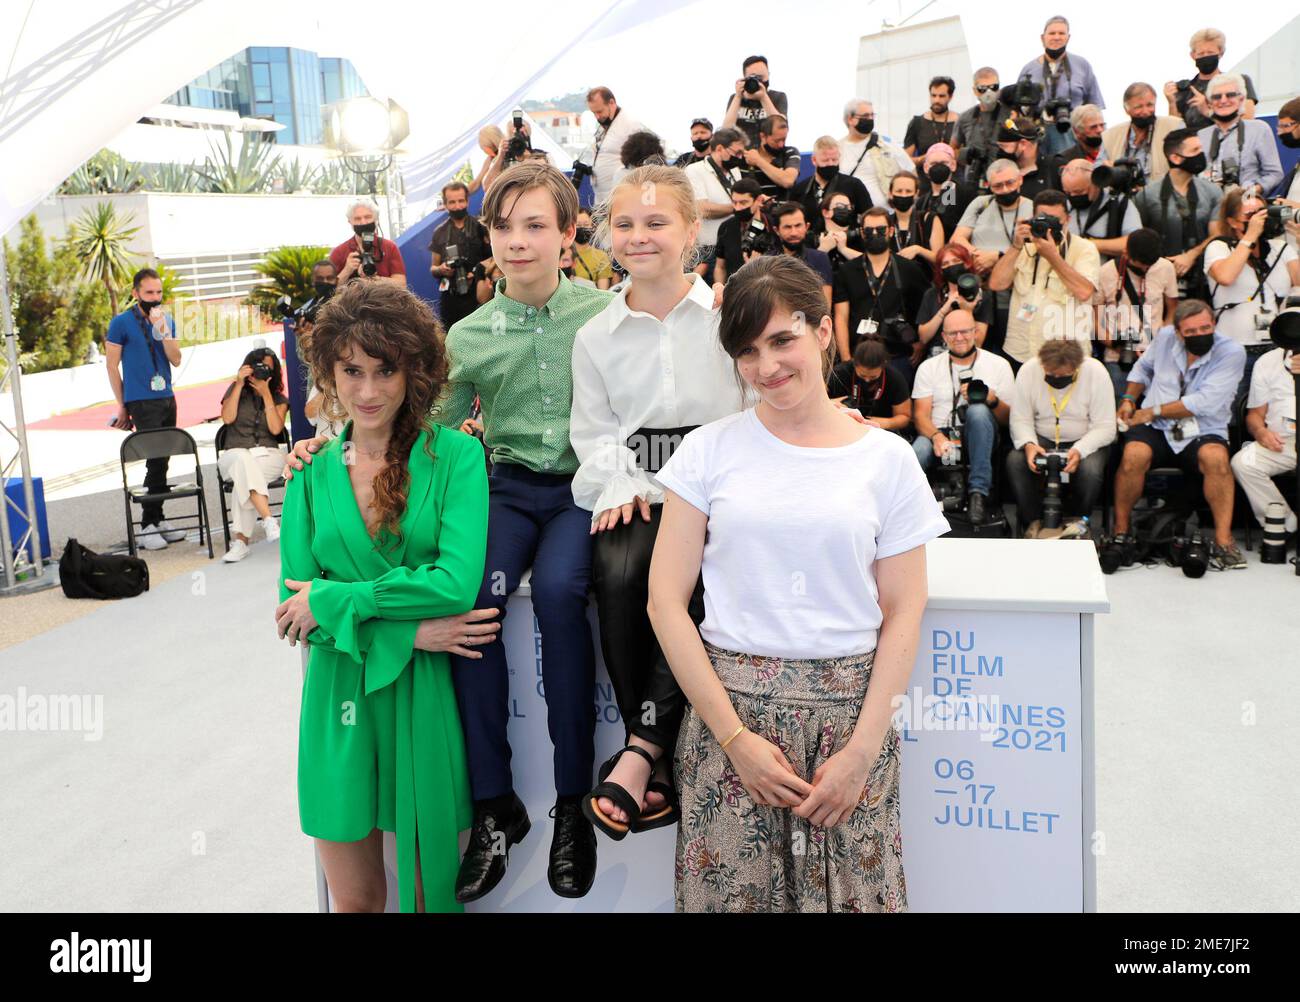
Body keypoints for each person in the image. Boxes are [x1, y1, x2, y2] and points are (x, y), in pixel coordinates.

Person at [648, 254, 948, 912]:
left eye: (782, 339)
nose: (767, 367)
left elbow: (904, 609)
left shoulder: (888, 460)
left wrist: (861, 754)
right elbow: (665, 603)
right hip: (730, 727)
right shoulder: (706, 451)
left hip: (850, 733)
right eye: (748, 351)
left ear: (820, 333)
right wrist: (735, 741)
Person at [275, 279, 490, 913]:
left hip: (421, 701)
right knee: (355, 905)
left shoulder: (457, 458)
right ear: (329, 373)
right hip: (338, 703)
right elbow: (294, 614)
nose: (368, 392)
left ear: (414, 371)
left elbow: (453, 583)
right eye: (352, 371)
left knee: (429, 898)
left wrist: (342, 601)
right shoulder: (307, 475)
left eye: (385, 371)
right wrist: (412, 631)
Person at [570, 164, 741, 841]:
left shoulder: (730, 316)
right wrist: (626, 484)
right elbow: (594, 433)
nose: (639, 237)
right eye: (625, 224)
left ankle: (641, 753)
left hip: (725, 481)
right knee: (617, 568)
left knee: (698, 576)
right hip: (637, 480)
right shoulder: (595, 336)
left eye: (656, 222)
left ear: (691, 231)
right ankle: (655, 751)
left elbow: (755, 402)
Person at [1112, 299, 1247, 568]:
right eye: (1191, 332)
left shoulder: (1232, 352)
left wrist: (1150, 411)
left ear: (1214, 324)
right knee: (1133, 455)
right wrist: (1128, 397)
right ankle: (1121, 532)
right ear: (1178, 332)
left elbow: (1203, 403)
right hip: (1158, 430)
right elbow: (1143, 368)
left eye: (1205, 328)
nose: (1200, 335)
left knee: (1217, 460)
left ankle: (1223, 541)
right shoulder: (1163, 338)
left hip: (1203, 428)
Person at [105, 268, 183, 550]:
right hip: (140, 399)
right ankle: (148, 524)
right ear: (135, 293)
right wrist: (122, 404)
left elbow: (175, 359)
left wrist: (162, 330)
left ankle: (158, 518)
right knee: (155, 457)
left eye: (159, 292)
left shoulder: (167, 319)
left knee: (165, 459)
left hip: (166, 395)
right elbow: (112, 366)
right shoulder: (121, 323)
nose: (155, 298)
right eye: (149, 292)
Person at [911, 310, 1015, 523]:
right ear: (943, 337)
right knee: (917, 452)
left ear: (976, 332)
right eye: (953, 333)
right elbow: (920, 416)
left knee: (977, 410)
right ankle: (909, 508)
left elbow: (1009, 420)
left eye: (965, 332)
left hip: (979, 434)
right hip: (938, 433)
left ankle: (978, 494)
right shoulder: (929, 367)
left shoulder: (998, 365)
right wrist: (937, 437)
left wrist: (991, 400)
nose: (959, 338)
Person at [1006, 339, 1115, 535]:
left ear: (1077, 367)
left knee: (1090, 470)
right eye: (1051, 375)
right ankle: (1033, 521)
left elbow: (1105, 427)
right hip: (1042, 437)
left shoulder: (1096, 372)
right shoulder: (1029, 370)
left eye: (1063, 375)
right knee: (1015, 461)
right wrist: (1029, 444)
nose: (1056, 378)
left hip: (1084, 438)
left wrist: (1080, 450)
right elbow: (1020, 419)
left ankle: (1078, 522)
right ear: (1042, 365)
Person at [989, 188, 1100, 369]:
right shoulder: (1024, 246)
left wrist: (1052, 256)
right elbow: (996, 284)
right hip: (1020, 350)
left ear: (1068, 220)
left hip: (1065, 356)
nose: (1049, 229)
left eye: (1056, 222)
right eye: (1043, 220)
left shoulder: (1084, 249)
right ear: (1033, 218)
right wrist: (1016, 246)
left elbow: (1084, 292)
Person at [1204, 189, 1300, 398]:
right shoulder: (1219, 247)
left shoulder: (1280, 248)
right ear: (1232, 222)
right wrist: (1249, 237)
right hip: (1235, 350)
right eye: (1250, 215)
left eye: (1262, 212)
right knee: (1236, 415)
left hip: (1277, 349)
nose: (1259, 219)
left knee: (1272, 413)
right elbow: (1226, 276)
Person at [952, 159, 1034, 355]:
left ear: (1020, 180)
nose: (1005, 190)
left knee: (1015, 350)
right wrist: (979, 256)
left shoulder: (1032, 208)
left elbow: (1034, 251)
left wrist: (997, 257)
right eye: (998, 185)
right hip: (982, 294)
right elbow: (957, 239)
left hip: (1017, 294)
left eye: (1010, 183)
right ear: (989, 185)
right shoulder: (981, 203)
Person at [1134, 128, 1224, 302]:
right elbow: (1139, 238)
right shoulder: (1147, 195)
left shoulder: (1213, 192)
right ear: (1175, 158)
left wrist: (1191, 255)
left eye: (1200, 149)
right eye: (1195, 151)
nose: (1201, 155)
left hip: (1203, 281)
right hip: (1158, 282)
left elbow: (1218, 234)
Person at [832, 207, 929, 367]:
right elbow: (841, 317)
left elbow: (925, 308)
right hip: (858, 356)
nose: (875, 234)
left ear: (891, 231)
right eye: (869, 230)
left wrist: (921, 343)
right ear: (862, 233)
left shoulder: (909, 269)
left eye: (881, 229)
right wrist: (846, 359)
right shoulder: (846, 270)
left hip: (899, 354)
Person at [217, 347, 288, 562]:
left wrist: (266, 393)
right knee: (242, 461)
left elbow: (276, 430)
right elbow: (227, 419)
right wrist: (239, 383)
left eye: (267, 368)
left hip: (268, 455)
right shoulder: (235, 390)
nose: (262, 371)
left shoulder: (278, 399)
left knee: (244, 475)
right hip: (234, 453)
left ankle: (241, 543)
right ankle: (268, 518)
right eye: (258, 366)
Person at [1092, 228, 1180, 398]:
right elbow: (1095, 317)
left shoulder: (1165, 267)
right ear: (1126, 253)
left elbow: (1173, 308)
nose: (1146, 269)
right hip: (1117, 358)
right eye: (1141, 266)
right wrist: (1112, 342)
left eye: (1150, 266)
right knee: (1121, 411)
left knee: (1155, 412)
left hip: (1155, 356)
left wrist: (1162, 341)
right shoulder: (1106, 272)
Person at [1231, 343, 1299, 537]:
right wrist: (1261, 432)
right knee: (1243, 463)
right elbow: (1254, 415)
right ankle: (1285, 526)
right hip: (1282, 443)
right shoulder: (1268, 361)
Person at [1017, 15, 1104, 157]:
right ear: (1042, 38)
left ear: (1068, 37)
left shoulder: (1082, 65)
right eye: (1052, 33)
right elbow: (1019, 109)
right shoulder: (1029, 70)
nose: (1056, 37)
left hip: (1075, 136)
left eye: (1061, 33)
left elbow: (1095, 107)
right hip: (1039, 136)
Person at [1197, 75, 1283, 194]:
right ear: (1210, 103)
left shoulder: (1259, 129)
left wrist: (1249, 192)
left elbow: (1274, 174)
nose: (1223, 100)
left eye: (1230, 95)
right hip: (1211, 207)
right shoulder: (1201, 136)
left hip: (1248, 207)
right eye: (1216, 97)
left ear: (1241, 99)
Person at [1164, 28, 1259, 133]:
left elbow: (1247, 123)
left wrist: (1208, 110)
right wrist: (1172, 103)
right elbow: (1175, 132)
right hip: (1194, 147)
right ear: (1193, 55)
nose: (1206, 57)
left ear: (1221, 53)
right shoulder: (1185, 89)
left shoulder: (1239, 82)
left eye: (1210, 53)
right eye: (1201, 54)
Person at [428, 182, 491, 330]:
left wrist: (477, 272)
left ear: (467, 201)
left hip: (478, 295)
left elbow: (493, 259)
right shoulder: (439, 232)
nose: (457, 206)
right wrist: (442, 269)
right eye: (452, 202)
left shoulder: (480, 227)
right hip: (451, 296)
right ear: (445, 204)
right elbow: (433, 267)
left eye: (461, 201)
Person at [916, 243, 993, 359]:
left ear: (967, 263)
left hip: (970, 358)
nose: (951, 266)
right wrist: (943, 310)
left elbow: (978, 342)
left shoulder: (981, 296)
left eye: (956, 261)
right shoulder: (932, 294)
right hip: (936, 357)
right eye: (945, 264)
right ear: (941, 270)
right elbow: (923, 337)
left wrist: (967, 311)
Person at [685, 127, 746, 273]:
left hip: (734, 247)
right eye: (737, 152)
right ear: (720, 148)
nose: (740, 157)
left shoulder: (735, 170)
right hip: (708, 250)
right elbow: (702, 208)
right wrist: (741, 207)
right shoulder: (694, 170)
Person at [1058, 158, 1142, 259]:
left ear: (1096, 183)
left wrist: (1089, 244)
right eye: (1067, 192)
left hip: (1104, 271)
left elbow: (1135, 243)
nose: (1073, 196)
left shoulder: (1118, 204)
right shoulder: (1064, 204)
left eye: (1079, 192)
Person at [1101, 83, 1183, 184]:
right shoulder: (1110, 135)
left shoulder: (1174, 125)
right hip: (1124, 197)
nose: (1145, 111)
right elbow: (1098, 170)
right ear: (1126, 109)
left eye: (1150, 105)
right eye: (1138, 107)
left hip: (1161, 197)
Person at [827, 338, 913, 433]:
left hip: (879, 430)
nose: (867, 380)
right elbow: (818, 402)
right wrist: (834, 405)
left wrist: (886, 423)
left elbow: (905, 416)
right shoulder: (839, 373)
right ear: (854, 364)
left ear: (883, 366)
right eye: (862, 375)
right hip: (844, 426)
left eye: (873, 377)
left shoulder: (894, 378)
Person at [839, 98, 913, 208]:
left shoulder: (887, 144)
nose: (870, 119)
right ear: (850, 119)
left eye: (872, 115)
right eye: (865, 116)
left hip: (886, 214)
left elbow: (911, 171)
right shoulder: (838, 149)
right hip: (853, 216)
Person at [790, 135, 871, 231]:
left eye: (834, 160)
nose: (830, 164)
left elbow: (870, 217)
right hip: (811, 244)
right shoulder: (800, 189)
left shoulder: (854, 185)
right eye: (825, 160)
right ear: (814, 160)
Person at [586, 86, 644, 205]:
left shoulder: (631, 124)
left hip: (622, 195)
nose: (597, 117)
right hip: (600, 197)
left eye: (599, 111)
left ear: (611, 103)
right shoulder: (604, 126)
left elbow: (640, 161)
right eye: (593, 113)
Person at [768, 202, 833, 307]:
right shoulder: (767, 261)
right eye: (787, 227)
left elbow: (825, 304)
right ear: (777, 230)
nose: (794, 232)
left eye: (798, 226)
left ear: (806, 227)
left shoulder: (819, 258)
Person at [330, 197, 406, 287]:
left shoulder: (389, 247)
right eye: (357, 219)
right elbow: (329, 292)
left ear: (376, 219)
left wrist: (374, 280)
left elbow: (402, 284)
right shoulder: (339, 252)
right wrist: (347, 270)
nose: (363, 222)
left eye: (368, 217)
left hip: (385, 300)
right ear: (350, 222)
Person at [723, 55, 789, 149]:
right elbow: (725, 130)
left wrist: (764, 97)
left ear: (768, 75)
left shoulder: (778, 97)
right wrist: (738, 97)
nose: (758, 82)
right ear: (745, 79)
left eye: (761, 77)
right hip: (741, 154)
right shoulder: (735, 98)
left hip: (770, 155)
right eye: (753, 78)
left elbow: (781, 126)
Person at [916, 143, 977, 245]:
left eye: (944, 163)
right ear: (926, 167)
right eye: (934, 163)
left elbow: (946, 218)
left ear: (953, 165)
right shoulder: (922, 201)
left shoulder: (964, 194)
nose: (939, 167)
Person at [712, 178, 769, 287]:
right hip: (734, 291)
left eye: (743, 203)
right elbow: (720, 267)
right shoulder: (726, 227)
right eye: (734, 202)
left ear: (759, 200)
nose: (738, 208)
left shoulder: (771, 226)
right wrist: (720, 287)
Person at [887, 171, 943, 266]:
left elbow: (940, 259)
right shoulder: (885, 221)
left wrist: (919, 250)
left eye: (908, 191)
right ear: (890, 193)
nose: (903, 195)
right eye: (899, 191)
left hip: (923, 278)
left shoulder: (929, 219)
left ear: (916, 193)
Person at [740, 114, 800, 204]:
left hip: (784, 213)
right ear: (763, 136)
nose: (781, 145)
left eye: (784, 139)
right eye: (777, 141)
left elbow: (788, 181)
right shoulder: (747, 157)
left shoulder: (790, 152)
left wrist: (758, 161)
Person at [955, 68, 1003, 173]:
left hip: (1004, 174)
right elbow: (952, 149)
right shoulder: (965, 117)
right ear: (975, 91)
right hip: (974, 175)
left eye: (994, 87)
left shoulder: (1010, 113)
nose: (989, 92)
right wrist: (967, 155)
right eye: (983, 89)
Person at [995, 114, 1054, 199]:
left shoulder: (1053, 168)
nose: (1000, 151)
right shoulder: (999, 171)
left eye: (1004, 147)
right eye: (999, 147)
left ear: (1023, 144)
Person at [904, 76, 960, 166]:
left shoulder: (961, 122)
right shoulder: (917, 122)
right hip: (924, 177)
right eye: (933, 95)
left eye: (941, 96)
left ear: (950, 97)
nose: (936, 100)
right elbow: (905, 161)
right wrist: (926, 158)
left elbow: (968, 159)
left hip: (954, 178)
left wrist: (949, 155)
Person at [815, 191, 865, 275]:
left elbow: (872, 263)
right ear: (826, 213)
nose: (847, 210)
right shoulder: (814, 238)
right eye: (840, 206)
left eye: (850, 207)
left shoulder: (860, 236)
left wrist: (844, 249)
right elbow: (804, 271)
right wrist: (823, 250)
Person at [1051, 105, 1109, 172]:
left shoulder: (1115, 151)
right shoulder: (1065, 159)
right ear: (1077, 131)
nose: (1100, 130)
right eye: (1093, 127)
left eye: (1102, 125)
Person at [571, 206, 616, 290]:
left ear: (592, 227)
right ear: (572, 228)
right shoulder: (562, 254)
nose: (582, 228)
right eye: (578, 225)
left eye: (586, 225)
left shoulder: (601, 257)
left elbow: (602, 291)